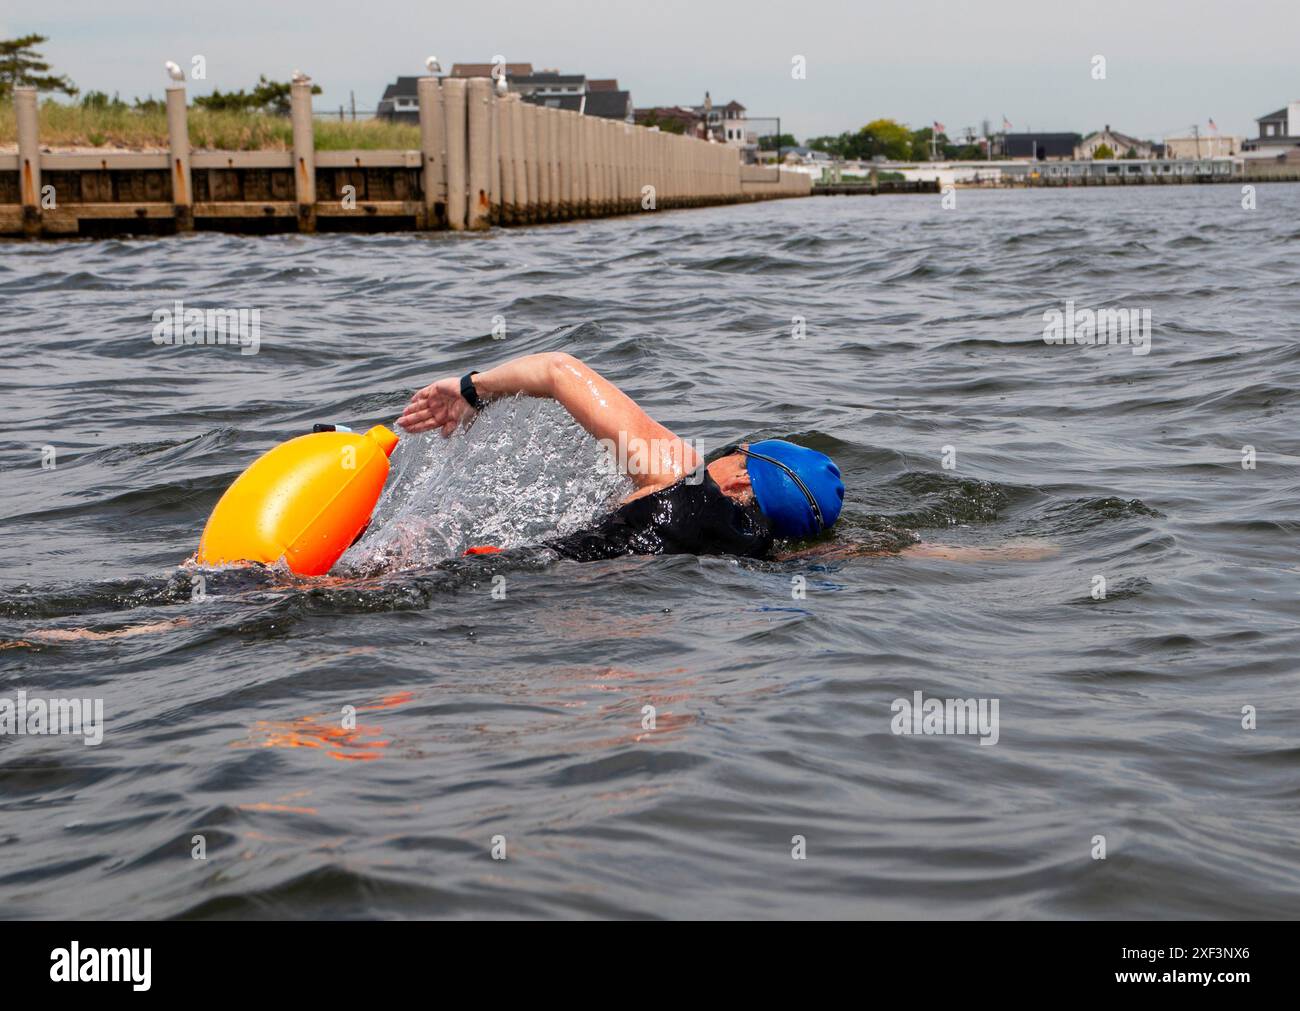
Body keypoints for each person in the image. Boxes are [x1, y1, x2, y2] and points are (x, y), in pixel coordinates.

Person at [396, 352, 845, 562]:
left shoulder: (681, 475)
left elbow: (559, 371)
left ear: (743, 481)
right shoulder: (758, 553)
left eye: (735, 453)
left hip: (513, 569)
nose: (719, 456)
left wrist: (471, 389)